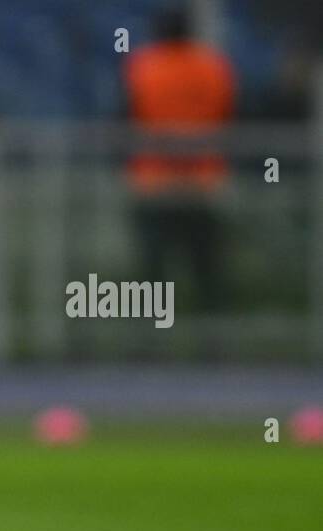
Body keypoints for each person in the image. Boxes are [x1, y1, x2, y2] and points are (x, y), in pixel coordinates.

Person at [124, 7, 236, 318]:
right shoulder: (213, 67)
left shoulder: (144, 66)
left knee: (153, 269)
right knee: (206, 267)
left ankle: (148, 342)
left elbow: (128, 116)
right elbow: (228, 116)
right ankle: (213, 342)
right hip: (203, 181)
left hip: (154, 181)